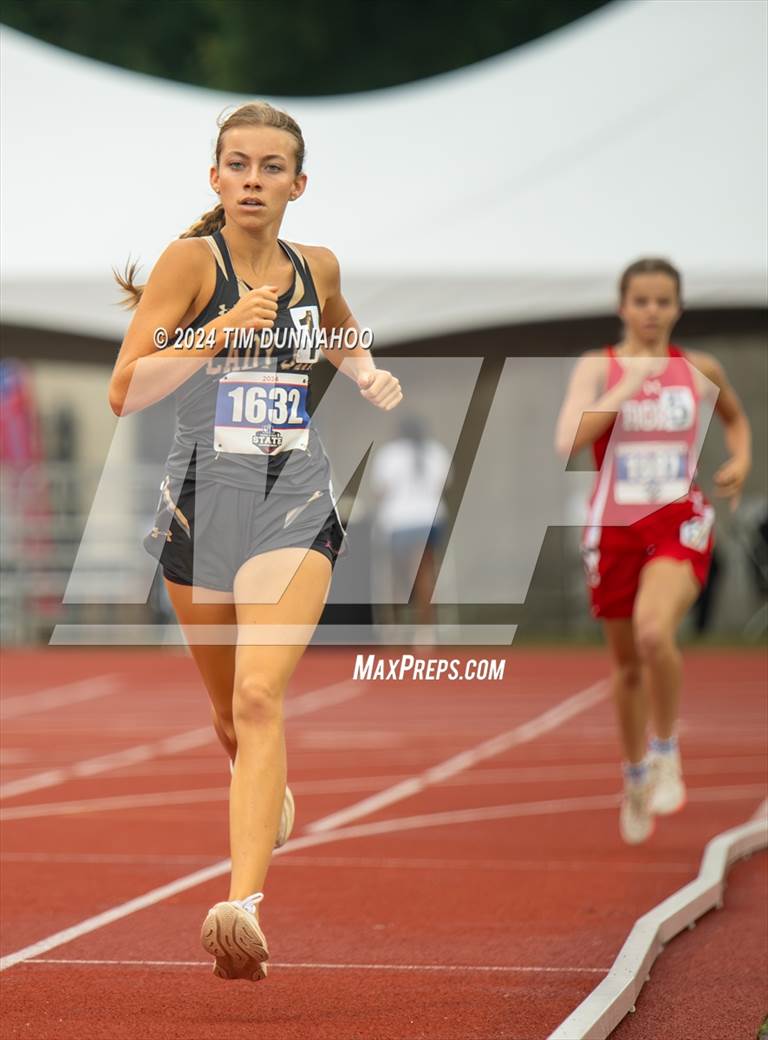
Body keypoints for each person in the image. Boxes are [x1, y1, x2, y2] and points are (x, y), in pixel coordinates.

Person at [108, 101, 402, 979]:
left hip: (293, 504)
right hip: (201, 510)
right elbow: (125, 388)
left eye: (271, 168)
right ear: (215, 179)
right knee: (229, 712)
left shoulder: (317, 266)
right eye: (237, 165)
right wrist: (216, 335)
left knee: (261, 695)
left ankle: (241, 906)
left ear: (297, 185)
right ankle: (262, 784)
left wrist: (364, 368)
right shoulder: (188, 265)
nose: (252, 180)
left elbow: (341, 325)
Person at [555, 258, 750, 844]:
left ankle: (666, 751)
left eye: (662, 301)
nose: (651, 312)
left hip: (677, 520)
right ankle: (635, 772)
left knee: (651, 633)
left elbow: (736, 421)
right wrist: (626, 386)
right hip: (613, 527)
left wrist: (740, 459)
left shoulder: (699, 367)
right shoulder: (599, 365)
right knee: (626, 667)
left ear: (678, 307)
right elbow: (570, 439)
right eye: (640, 301)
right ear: (623, 306)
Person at [370, 415, 451, 642]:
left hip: (399, 522)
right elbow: (445, 484)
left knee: (398, 576)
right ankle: (425, 632)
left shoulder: (390, 455)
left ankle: (394, 629)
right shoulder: (436, 452)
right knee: (424, 574)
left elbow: (380, 490)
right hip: (429, 520)